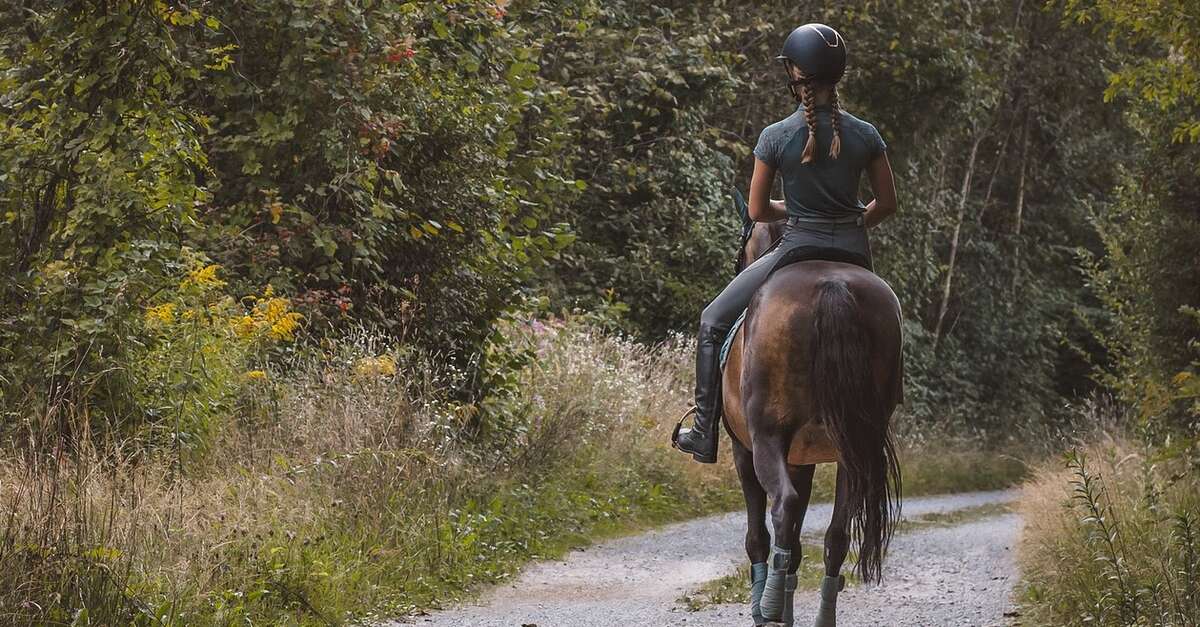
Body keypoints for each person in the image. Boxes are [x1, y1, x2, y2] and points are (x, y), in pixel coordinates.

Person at [672, 23, 898, 463]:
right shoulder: (867, 134)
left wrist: (792, 211)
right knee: (890, 317)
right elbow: (887, 204)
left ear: (796, 74)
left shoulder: (775, 136)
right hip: (854, 250)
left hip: (795, 248)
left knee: (712, 321)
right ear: (838, 74)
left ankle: (703, 431)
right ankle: (884, 411)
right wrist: (852, 221)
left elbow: (757, 212)